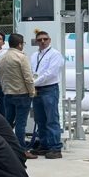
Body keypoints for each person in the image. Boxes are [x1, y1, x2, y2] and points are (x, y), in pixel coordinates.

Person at [0, 33, 36, 157]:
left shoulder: (1, 58)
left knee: (7, 123)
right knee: (20, 124)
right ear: (20, 44)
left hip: (7, 94)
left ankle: (5, 148)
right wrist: (32, 92)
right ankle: (22, 150)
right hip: (22, 94)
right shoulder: (21, 57)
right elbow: (28, 78)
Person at [29, 29, 64, 158]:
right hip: (37, 90)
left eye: (45, 39)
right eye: (39, 40)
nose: (42, 41)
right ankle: (44, 145)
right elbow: (32, 71)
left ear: (49, 40)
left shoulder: (55, 54)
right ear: (36, 41)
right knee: (40, 119)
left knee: (52, 119)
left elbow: (51, 73)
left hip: (49, 88)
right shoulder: (34, 55)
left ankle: (55, 147)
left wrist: (34, 82)